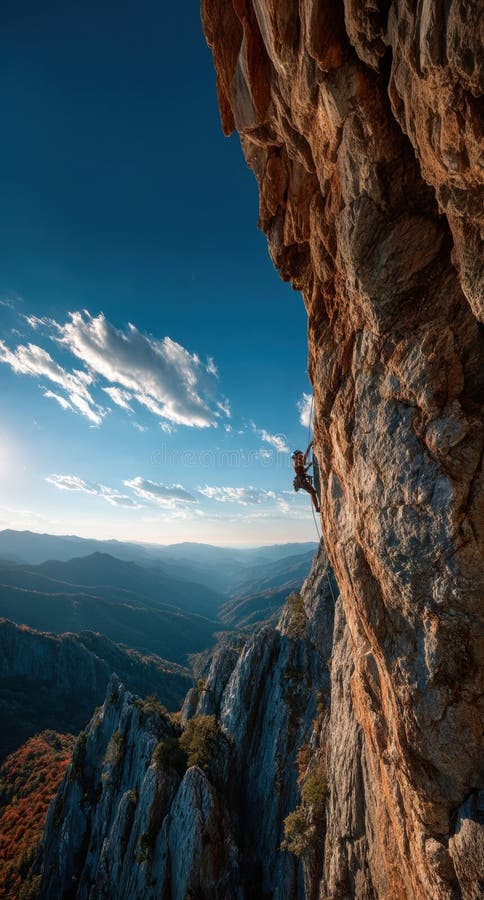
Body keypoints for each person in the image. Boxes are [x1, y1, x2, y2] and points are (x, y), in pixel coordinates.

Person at [292, 441, 320, 512]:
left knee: (312, 492)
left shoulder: (297, 462)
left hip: (301, 480)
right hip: (301, 480)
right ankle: (317, 508)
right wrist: (309, 446)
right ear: (296, 456)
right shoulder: (296, 462)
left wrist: (309, 465)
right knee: (313, 492)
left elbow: (303, 471)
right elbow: (304, 460)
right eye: (299, 455)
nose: (301, 456)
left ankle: (317, 508)